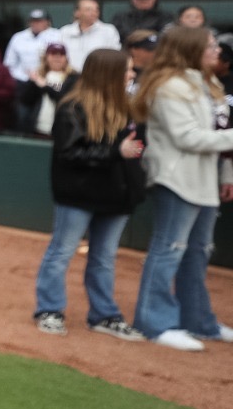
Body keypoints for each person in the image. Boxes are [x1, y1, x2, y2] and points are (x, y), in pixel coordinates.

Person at [128, 26, 233, 352]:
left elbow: (219, 130)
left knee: (199, 252)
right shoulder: (170, 85)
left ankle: (198, 321)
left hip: (205, 178)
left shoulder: (209, 82)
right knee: (169, 248)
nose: (217, 50)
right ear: (190, 49)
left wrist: (226, 172)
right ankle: (155, 323)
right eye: (211, 45)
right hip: (175, 179)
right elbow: (187, 137)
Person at [33, 48, 149, 337]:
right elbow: (69, 152)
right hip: (79, 193)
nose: (132, 74)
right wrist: (115, 152)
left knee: (104, 257)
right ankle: (49, 309)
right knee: (62, 251)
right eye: (127, 70)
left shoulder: (129, 106)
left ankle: (103, 315)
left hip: (117, 194)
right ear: (108, 74)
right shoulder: (71, 107)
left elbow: (137, 147)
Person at [18, 41, 77, 136]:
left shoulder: (73, 77)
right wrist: (33, 82)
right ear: (46, 57)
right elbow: (25, 100)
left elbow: (65, 100)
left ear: (66, 58)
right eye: (53, 54)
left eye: (61, 55)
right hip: (38, 127)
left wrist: (45, 87)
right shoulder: (39, 75)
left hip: (62, 130)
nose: (57, 58)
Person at [58, 0, 122, 71]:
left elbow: (114, 56)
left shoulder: (108, 31)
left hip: (98, 76)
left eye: (96, 10)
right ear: (77, 13)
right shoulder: (65, 31)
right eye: (88, 10)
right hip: (70, 77)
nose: (93, 13)